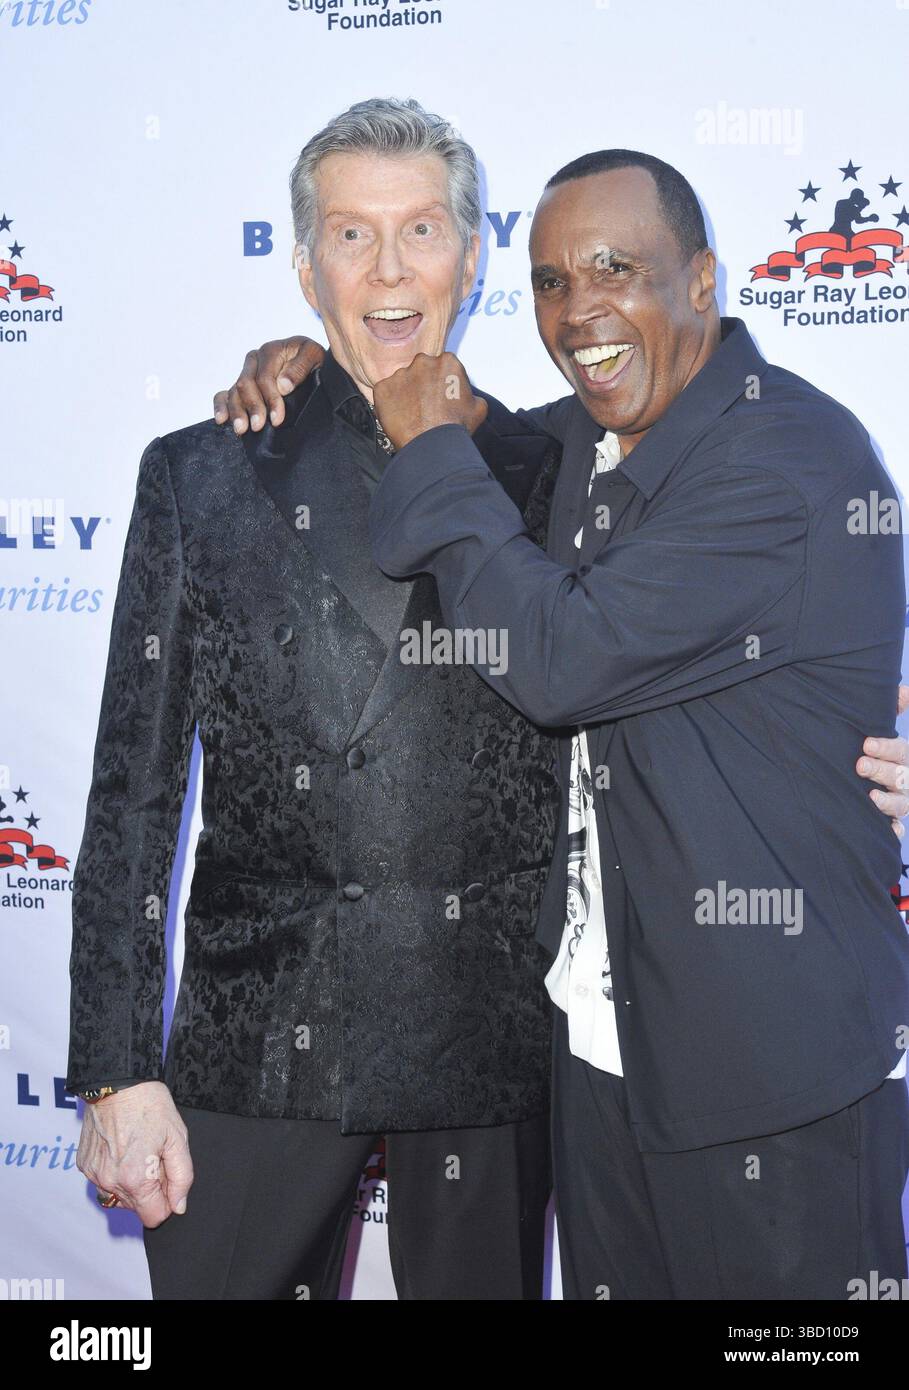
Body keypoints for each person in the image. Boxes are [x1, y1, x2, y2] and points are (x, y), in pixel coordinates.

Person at [223, 149, 909, 1300]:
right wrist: (324, 377)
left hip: (771, 1070)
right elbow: (469, 430)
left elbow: (555, 659)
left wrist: (432, 440)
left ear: (703, 282)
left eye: (615, 268)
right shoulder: (594, 436)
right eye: (549, 281)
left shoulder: (789, 458)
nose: (579, 308)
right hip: (602, 1045)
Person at [65, 98, 564, 1302]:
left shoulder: (557, 473)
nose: (390, 271)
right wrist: (115, 1070)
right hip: (262, 1030)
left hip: (488, 1043)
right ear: (302, 267)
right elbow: (134, 786)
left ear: (475, 251)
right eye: (352, 236)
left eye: (424, 230)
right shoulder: (203, 471)